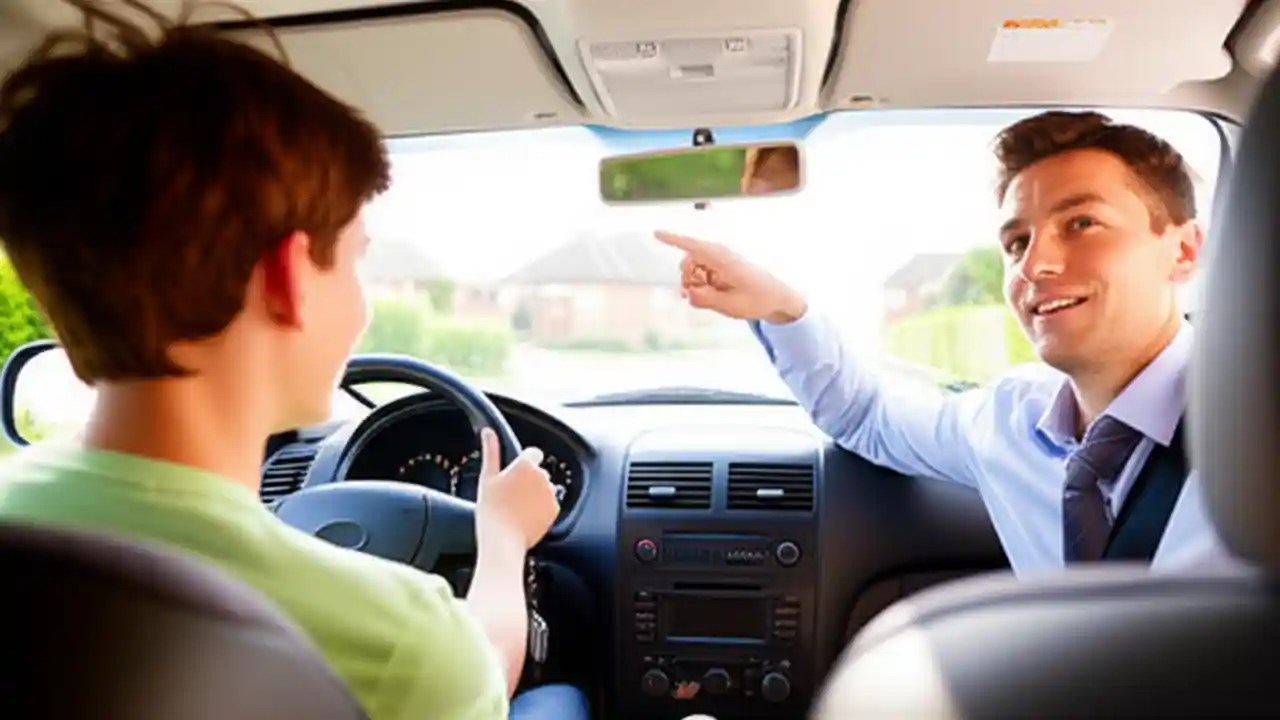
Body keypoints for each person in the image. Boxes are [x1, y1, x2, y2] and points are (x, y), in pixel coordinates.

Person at [0, 2, 587, 718]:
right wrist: (500, 542)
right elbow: (483, 673)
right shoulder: (407, 640)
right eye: (354, 262)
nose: (362, 306)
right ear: (290, 279)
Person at [658, 110, 1235, 575]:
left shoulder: (1257, 428)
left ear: (1183, 251)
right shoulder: (1009, 421)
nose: (1035, 265)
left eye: (1082, 223)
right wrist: (782, 307)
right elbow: (865, 416)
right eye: (1016, 242)